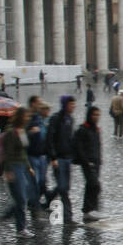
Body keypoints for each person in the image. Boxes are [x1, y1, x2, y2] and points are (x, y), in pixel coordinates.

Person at [1, 106, 36, 238]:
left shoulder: (22, 131)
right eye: (26, 116)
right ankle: (21, 228)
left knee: (23, 197)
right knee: (21, 198)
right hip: (14, 166)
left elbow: (23, 152)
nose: (28, 118)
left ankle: (16, 220)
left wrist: (28, 167)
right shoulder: (11, 132)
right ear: (21, 117)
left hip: (22, 166)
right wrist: (8, 170)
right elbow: (8, 153)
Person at [45, 94, 76, 224]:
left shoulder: (70, 119)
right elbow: (50, 138)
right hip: (58, 158)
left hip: (67, 157)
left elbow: (70, 138)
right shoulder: (56, 119)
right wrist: (53, 157)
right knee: (63, 188)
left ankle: (48, 199)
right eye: (70, 104)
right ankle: (68, 217)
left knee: (64, 187)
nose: (73, 106)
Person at [74, 105, 102, 220]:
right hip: (87, 162)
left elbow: (98, 146)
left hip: (96, 161)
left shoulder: (96, 129)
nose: (96, 117)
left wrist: (99, 160)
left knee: (91, 185)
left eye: (98, 115)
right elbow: (79, 148)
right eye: (94, 114)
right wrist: (86, 161)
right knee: (94, 184)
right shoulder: (83, 129)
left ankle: (90, 209)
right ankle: (89, 209)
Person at [26, 96, 49, 206]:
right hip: (32, 154)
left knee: (42, 181)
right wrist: (30, 132)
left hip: (42, 153)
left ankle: (34, 201)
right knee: (35, 180)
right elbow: (22, 135)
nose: (40, 105)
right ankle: (33, 202)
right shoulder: (27, 117)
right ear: (33, 104)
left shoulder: (39, 117)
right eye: (38, 103)